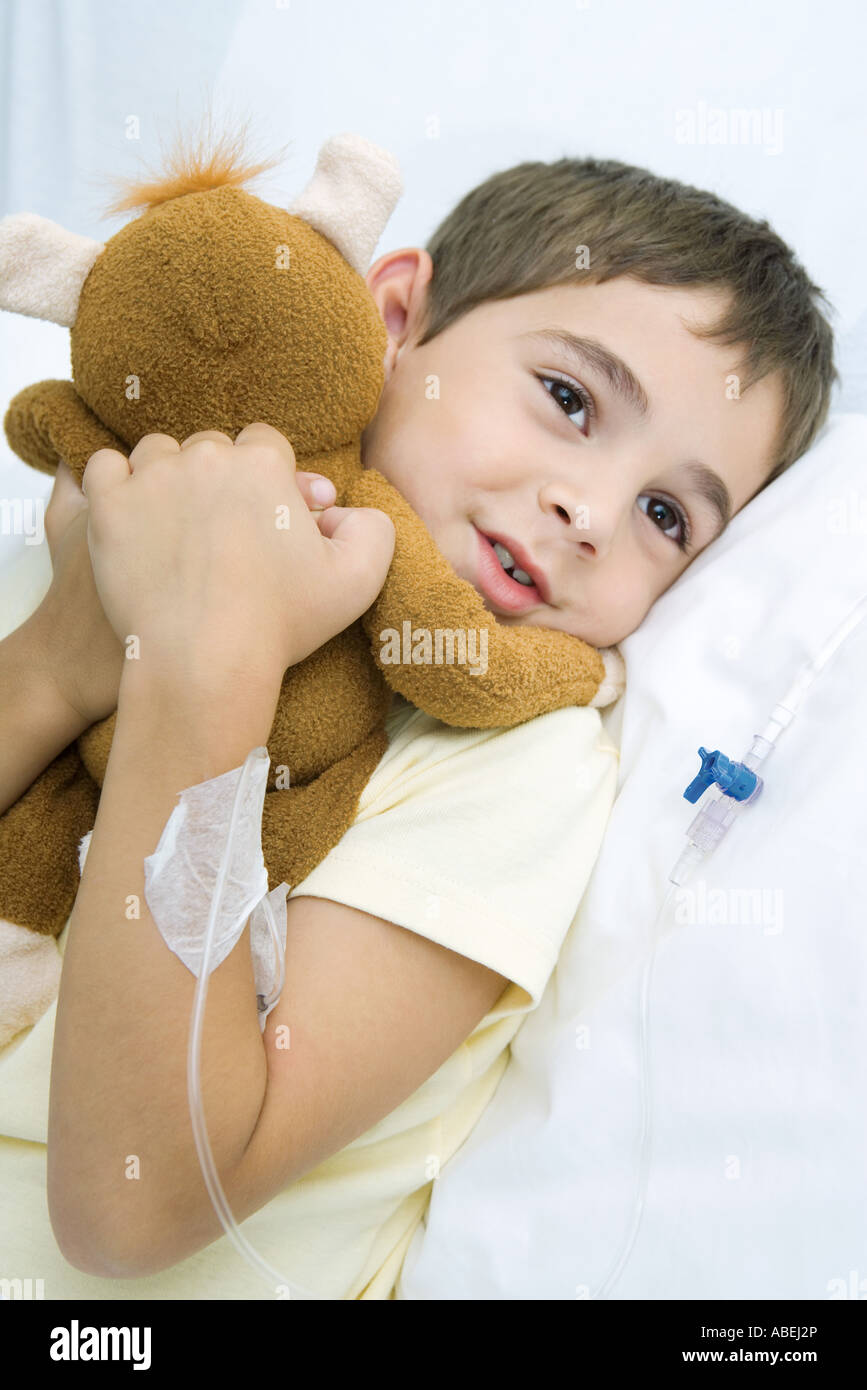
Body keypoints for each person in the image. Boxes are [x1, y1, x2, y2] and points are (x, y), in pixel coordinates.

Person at [0, 152, 836, 1301]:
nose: (589, 515)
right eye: (570, 399)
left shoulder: (518, 767)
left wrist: (200, 668)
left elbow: (132, 1210)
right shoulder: (119, 532)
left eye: (665, 513)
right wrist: (58, 657)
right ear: (396, 318)